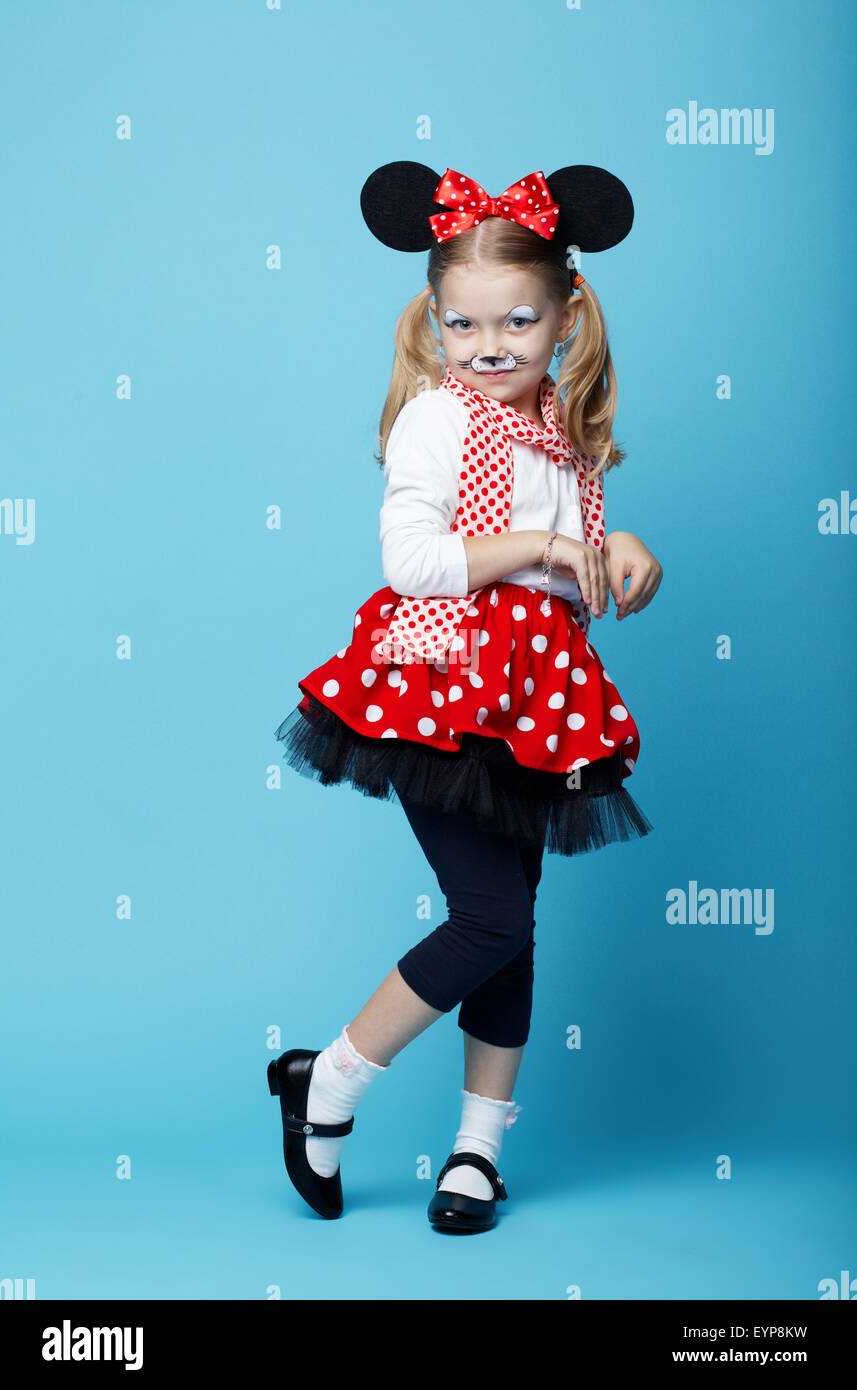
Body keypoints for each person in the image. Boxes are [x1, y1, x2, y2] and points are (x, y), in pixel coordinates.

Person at [268, 161, 663, 1233]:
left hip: (535, 698)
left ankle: (476, 1152)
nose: (490, 346)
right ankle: (328, 1079)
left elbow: (563, 570)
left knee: (512, 926)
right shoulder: (438, 420)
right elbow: (411, 561)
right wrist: (544, 545)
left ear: (567, 314)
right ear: (433, 320)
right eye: (463, 325)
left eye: (518, 321)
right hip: (440, 684)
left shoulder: (563, 431)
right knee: (487, 916)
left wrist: (611, 545)